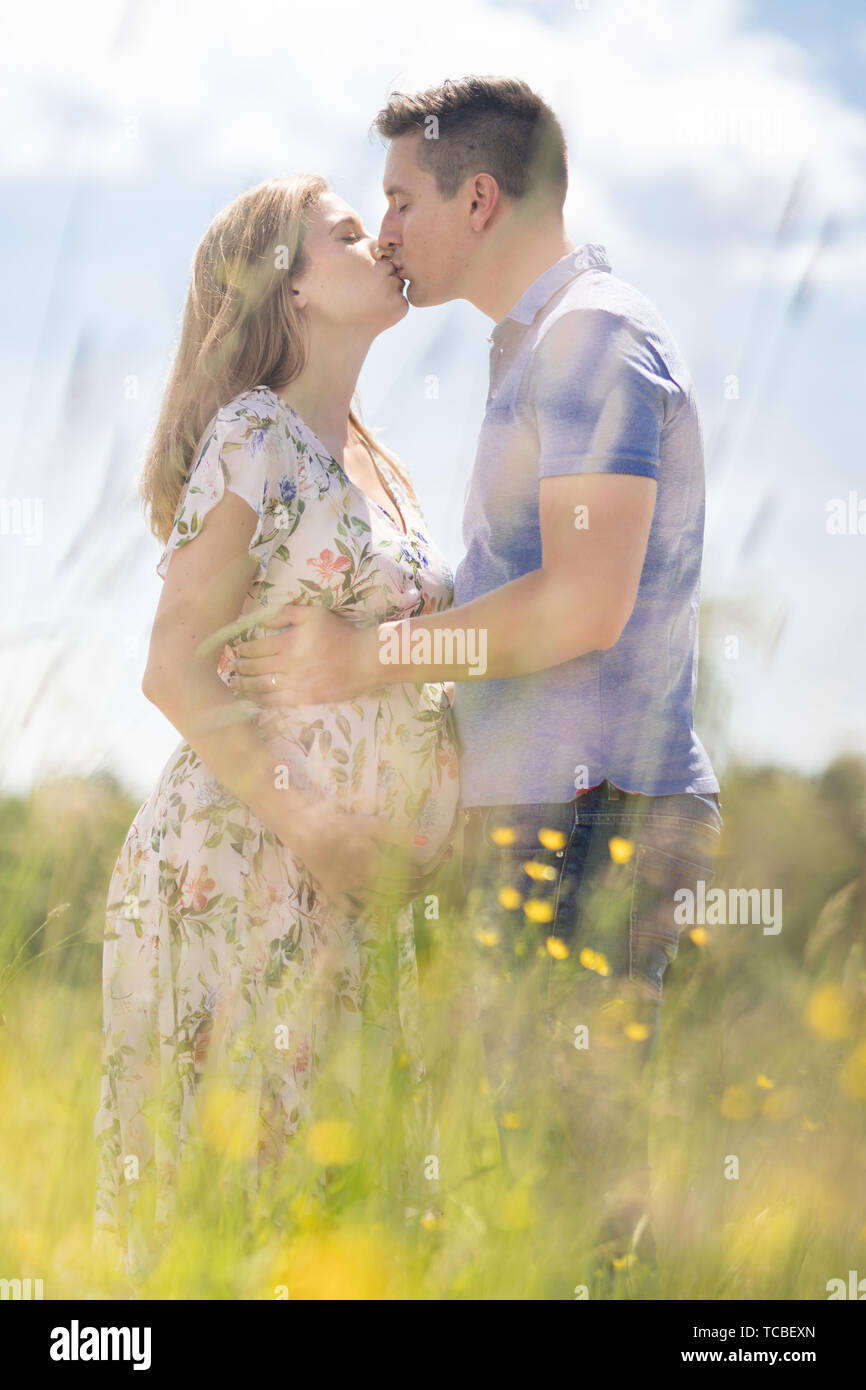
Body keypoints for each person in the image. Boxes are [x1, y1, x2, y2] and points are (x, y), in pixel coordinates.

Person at [234, 77, 722, 1296]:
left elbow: (577, 603)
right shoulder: (537, 350)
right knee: (537, 1187)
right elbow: (518, 587)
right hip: (549, 817)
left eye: (399, 201)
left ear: (480, 196)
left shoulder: (590, 339)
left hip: (592, 814)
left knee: (571, 1194)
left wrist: (361, 658)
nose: (386, 231)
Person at [93, 174, 459, 1274]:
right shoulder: (255, 436)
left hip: (352, 881)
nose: (381, 238)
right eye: (347, 232)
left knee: (334, 1216)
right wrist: (316, 828)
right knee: (236, 1212)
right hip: (251, 857)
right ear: (289, 289)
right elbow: (171, 666)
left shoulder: (371, 455)